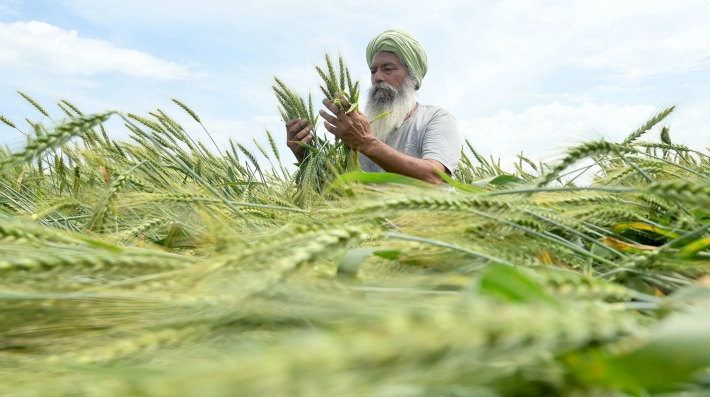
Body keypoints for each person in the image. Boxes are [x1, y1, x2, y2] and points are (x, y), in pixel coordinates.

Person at [285, 29, 462, 185]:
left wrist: (367, 143)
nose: (377, 77)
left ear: (413, 77)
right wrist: (304, 156)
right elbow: (336, 195)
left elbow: (435, 176)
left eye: (388, 69)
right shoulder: (362, 132)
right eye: (373, 71)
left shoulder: (435, 118)